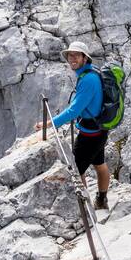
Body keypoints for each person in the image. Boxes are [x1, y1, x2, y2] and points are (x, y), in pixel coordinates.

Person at [36, 41, 111, 210]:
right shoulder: (91, 73)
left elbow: (73, 112)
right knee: (100, 164)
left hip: (90, 135)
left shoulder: (88, 79)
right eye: (70, 55)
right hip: (99, 129)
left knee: (77, 171)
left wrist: (49, 124)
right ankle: (102, 200)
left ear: (85, 58)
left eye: (77, 55)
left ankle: (85, 210)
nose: (72, 58)